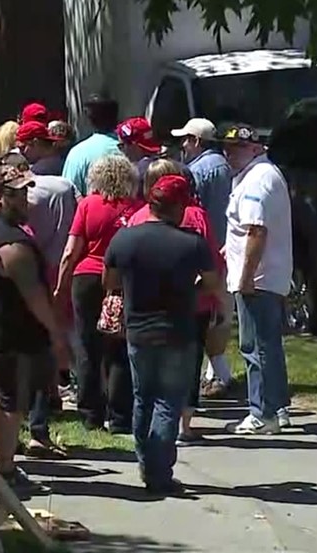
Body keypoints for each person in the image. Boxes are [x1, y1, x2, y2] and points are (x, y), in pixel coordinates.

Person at [103, 174, 221, 495]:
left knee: (143, 397)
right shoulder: (192, 243)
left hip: (138, 330)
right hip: (178, 330)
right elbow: (212, 283)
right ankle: (160, 471)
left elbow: (109, 280)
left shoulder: (125, 239)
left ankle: (146, 463)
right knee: (169, 401)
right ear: (179, 206)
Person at [0, 165, 68, 496]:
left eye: (26, 192)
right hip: (11, 333)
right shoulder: (11, 242)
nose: (26, 200)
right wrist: (55, 333)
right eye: (17, 194)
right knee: (13, 403)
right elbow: (34, 296)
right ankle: (5, 471)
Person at [127, 160, 224, 443]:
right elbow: (212, 264)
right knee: (188, 368)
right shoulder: (196, 216)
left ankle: (146, 445)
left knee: (144, 387)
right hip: (190, 306)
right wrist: (220, 301)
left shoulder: (138, 217)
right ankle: (184, 424)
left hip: (142, 308)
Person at [54, 156, 141, 433]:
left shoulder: (88, 205)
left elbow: (70, 251)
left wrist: (60, 286)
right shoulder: (137, 209)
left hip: (87, 277)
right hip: (124, 281)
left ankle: (91, 413)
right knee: (120, 348)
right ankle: (120, 417)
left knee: (87, 346)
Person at [220, 124, 294, 435]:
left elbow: (257, 230)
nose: (229, 153)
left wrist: (246, 276)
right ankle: (277, 407)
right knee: (268, 345)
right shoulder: (260, 175)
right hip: (266, 275)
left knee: (256, 347)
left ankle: (262, 412)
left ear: (256, 148)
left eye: (237, 148)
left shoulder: (256, 181)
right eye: (227, 147)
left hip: (257, 279)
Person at [172, 117, 236, 396]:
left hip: (204, 250)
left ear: (197, 141)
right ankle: (217, 372)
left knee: (201, 315)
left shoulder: (196, 171)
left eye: (186, 139)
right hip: (226, 248)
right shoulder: (227, 166)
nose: (183, 145)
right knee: (220, 312)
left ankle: (214, 375)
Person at [62, 94, 122, 196]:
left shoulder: (78, 152)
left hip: (91, 210)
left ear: (89, 119)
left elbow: (68, 193)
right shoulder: (133, 149)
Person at [116, 117, 163, 191]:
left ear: (134, 145)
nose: (120, 151)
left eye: (121, 145)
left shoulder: (134, 176)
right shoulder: (171, 166)